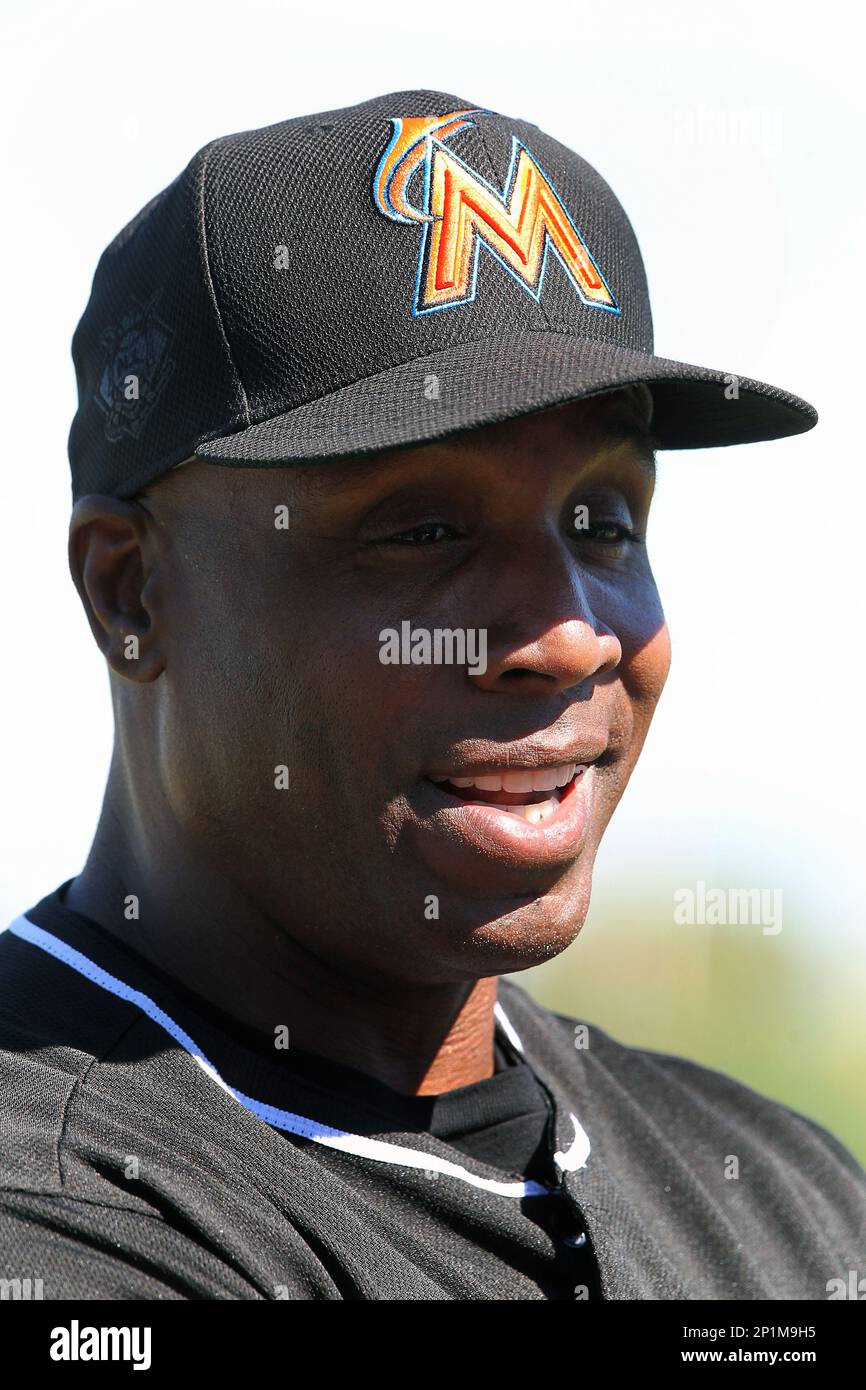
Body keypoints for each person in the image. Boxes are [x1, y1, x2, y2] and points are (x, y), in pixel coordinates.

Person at [1, 89, 862, 1301]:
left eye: (602, 521)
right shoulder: (56, 1220)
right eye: (423, 528)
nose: (565, 638)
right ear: (132, 592)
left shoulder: (784, 1198)